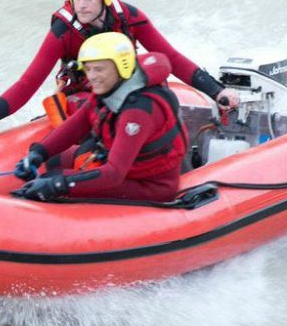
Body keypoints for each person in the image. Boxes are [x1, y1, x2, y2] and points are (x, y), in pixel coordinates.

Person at [0, 0, 236, 143]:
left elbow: (172, 59)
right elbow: (28, 83)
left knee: (157, 73)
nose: (81, 5)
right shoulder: (63, 31)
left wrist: (216, 91)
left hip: (129, 94)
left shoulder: (130, 17)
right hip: (85, 100)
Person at [12, 32, 185, 203]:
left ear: (121, 67)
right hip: (122, 169)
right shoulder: (111, 88)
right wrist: (38, 153)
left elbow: (114, 174)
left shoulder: (138, 111)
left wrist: (58, 184)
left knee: (51, 180)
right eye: (88, 69)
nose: (92, 76)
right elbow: (76, 125)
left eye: (99, 69)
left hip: (149, 186)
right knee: (52, 163)